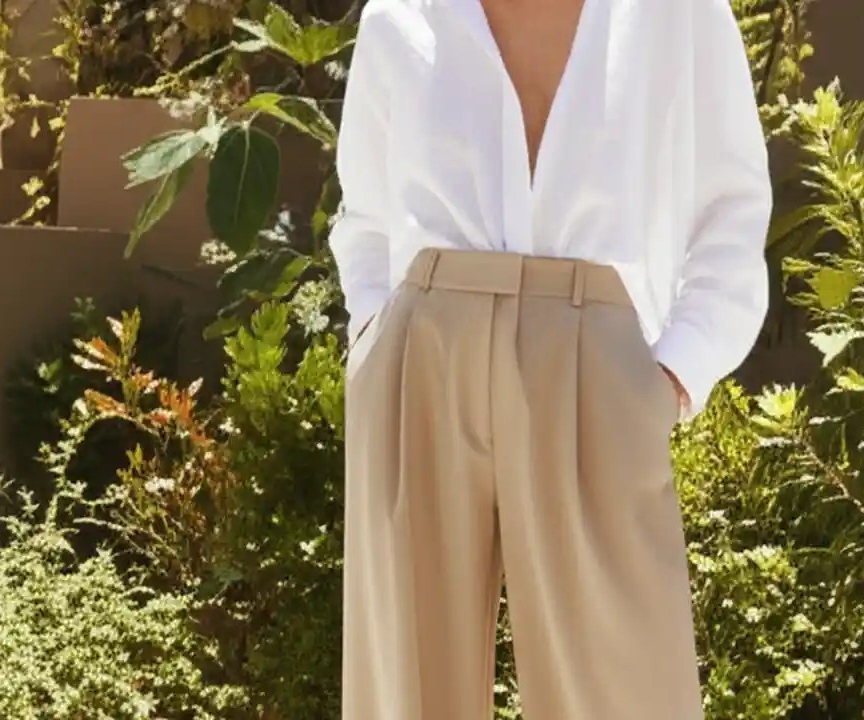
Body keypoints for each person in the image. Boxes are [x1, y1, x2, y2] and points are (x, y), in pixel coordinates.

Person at [329, 0, 772, 717]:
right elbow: (367, 216)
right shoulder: (399, 13)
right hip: (423, 356)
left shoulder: (676, 13)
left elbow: (732, 209)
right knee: (405, 696)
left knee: (626, 693)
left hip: (597, 365)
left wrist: (672, 374)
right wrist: (375, 343)